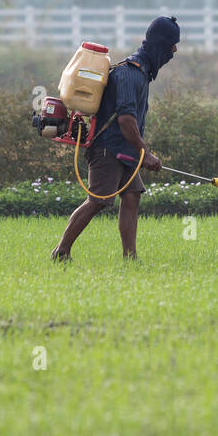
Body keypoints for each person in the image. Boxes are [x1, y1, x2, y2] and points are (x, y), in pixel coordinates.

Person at [51, 16, 180, 262]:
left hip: (124, 151)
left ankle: (130, 259)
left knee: (132, 197)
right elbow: (126, 121)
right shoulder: (130, 74)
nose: (174, 50)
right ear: (160, 44)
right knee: (98, 201)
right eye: (172, 44)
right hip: (108, 149)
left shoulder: (141, 73)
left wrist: (138, 153)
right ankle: (61, 251)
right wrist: (146, 154)